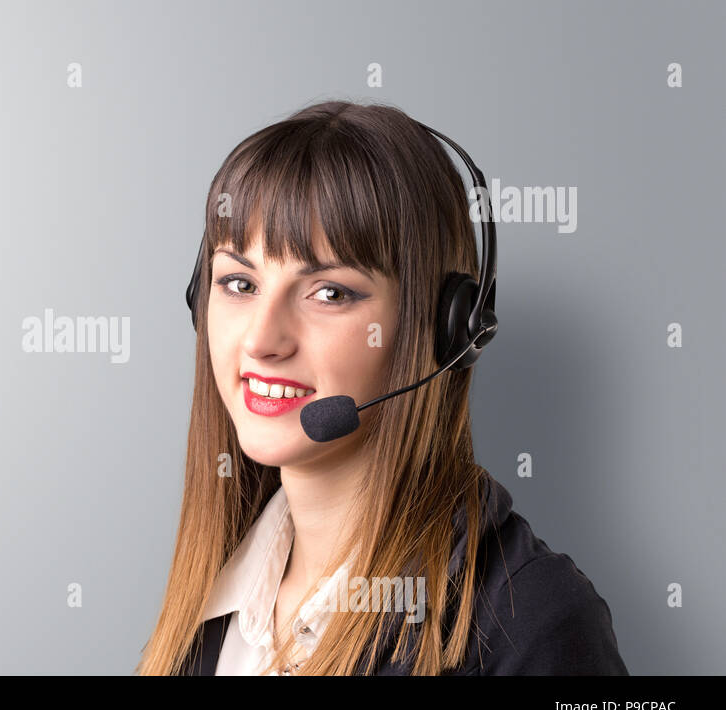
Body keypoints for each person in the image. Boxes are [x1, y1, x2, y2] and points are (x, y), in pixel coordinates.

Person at [135, 99, 628, 676]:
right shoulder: (210, 614)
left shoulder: (533, 623)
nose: (262, 339)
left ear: (443, 330)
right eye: (240, 283)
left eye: (329, 293)